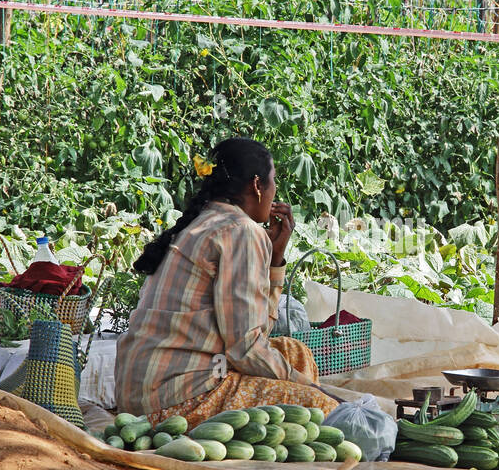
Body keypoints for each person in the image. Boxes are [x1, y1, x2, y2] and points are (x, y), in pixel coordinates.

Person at [115, 137, 337, 427]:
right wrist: (309, 387)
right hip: (177, 401)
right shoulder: (241, 231)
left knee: (296, 353)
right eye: (273, 182)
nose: (275, 193)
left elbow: (257, 332)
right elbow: (245, 349)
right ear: (257, 186)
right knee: (325, 408)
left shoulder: (206, 221)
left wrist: (275, 259)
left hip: (140, 393)